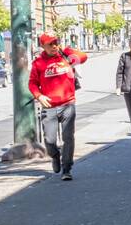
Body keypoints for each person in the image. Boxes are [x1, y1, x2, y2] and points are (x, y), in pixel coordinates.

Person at [29, 33, 88, 181]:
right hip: (49, 107)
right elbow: (32, 83)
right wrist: (39, 96)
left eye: (56, 42)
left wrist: (67, 51)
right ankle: (55, 156)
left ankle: (67, 168)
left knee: (68, 137)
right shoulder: (38, 63)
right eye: (50, 44)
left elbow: (83, 57)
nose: (54, 46)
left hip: (68, 104)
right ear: (43, 46)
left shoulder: (64, 56)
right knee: (49, 140)